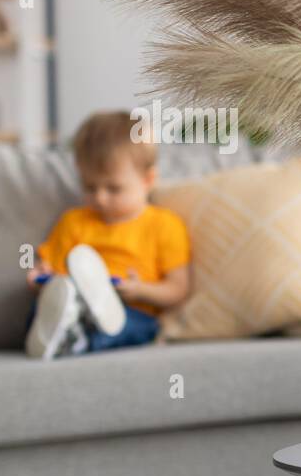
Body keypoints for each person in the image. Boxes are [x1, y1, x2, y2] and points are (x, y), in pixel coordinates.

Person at [24, 110, 192, 359]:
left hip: (130, 309)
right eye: (89, 187)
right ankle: (67, 331)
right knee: (40, 310)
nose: (100, 198)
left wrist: (141, 290)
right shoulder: (74, 222)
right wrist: (41, 278)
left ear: (148, 180)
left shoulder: (165, 225)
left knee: (140, 327)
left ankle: (76, 340)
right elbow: (54, 271)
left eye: (113, 189)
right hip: (76, 306)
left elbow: (178, 289)